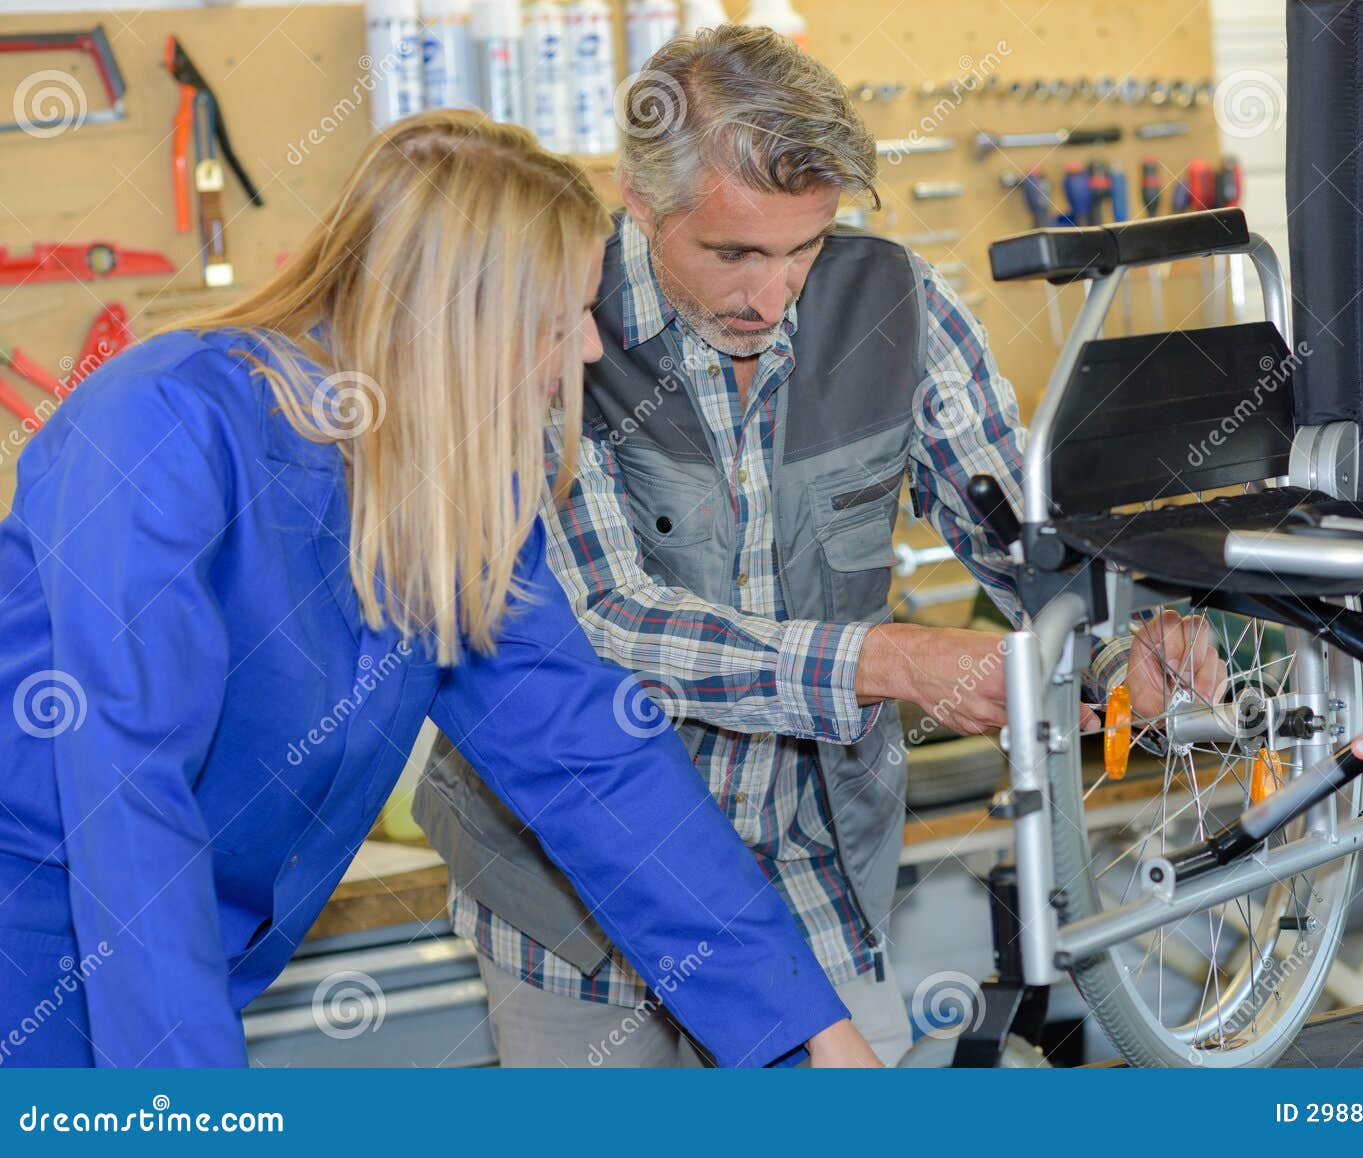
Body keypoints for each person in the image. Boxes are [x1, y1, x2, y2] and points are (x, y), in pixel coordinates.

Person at [415, 27, 1226, 1068]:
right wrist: (884, 661)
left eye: (804, 248)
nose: (774, 294)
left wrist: (1120, 643)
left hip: (807, 871)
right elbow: (604, 628)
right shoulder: (552, 329)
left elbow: (1020, 541)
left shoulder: (898, 304)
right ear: (641, 200)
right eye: (735, 253)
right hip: (574, 895)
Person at [0, 109, 878, 1069]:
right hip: (45, 950)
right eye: (556, 323)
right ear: (447, 319)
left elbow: (592, 762)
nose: (588, 352)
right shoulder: (164, 426)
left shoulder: (457, 486)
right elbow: (125, 794)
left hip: (170, 962)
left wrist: (810, 1035)